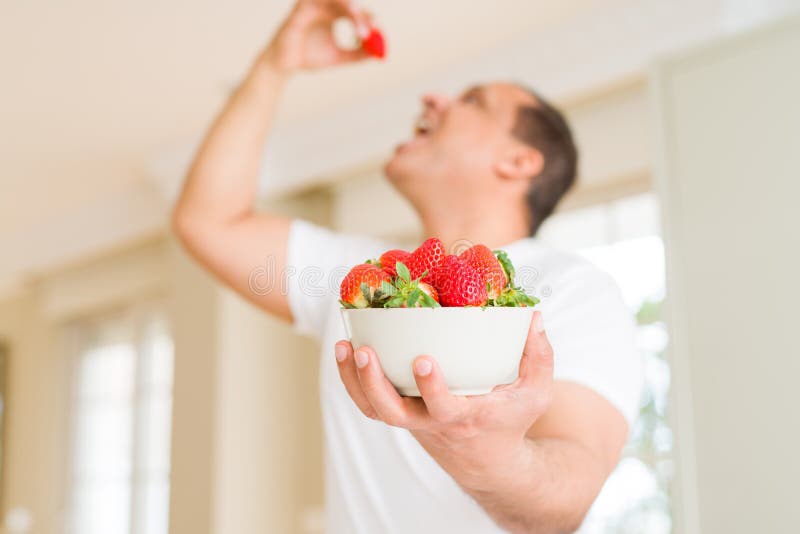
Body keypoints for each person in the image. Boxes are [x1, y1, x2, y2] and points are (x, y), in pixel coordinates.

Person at [172, 1, 643, 532]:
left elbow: (567, 500)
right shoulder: (364, 282)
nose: (432, 98)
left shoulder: (575, 291)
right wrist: (274, 64)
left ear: (518, 161)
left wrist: (483, 453)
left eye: (471, 101)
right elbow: (207, 222)